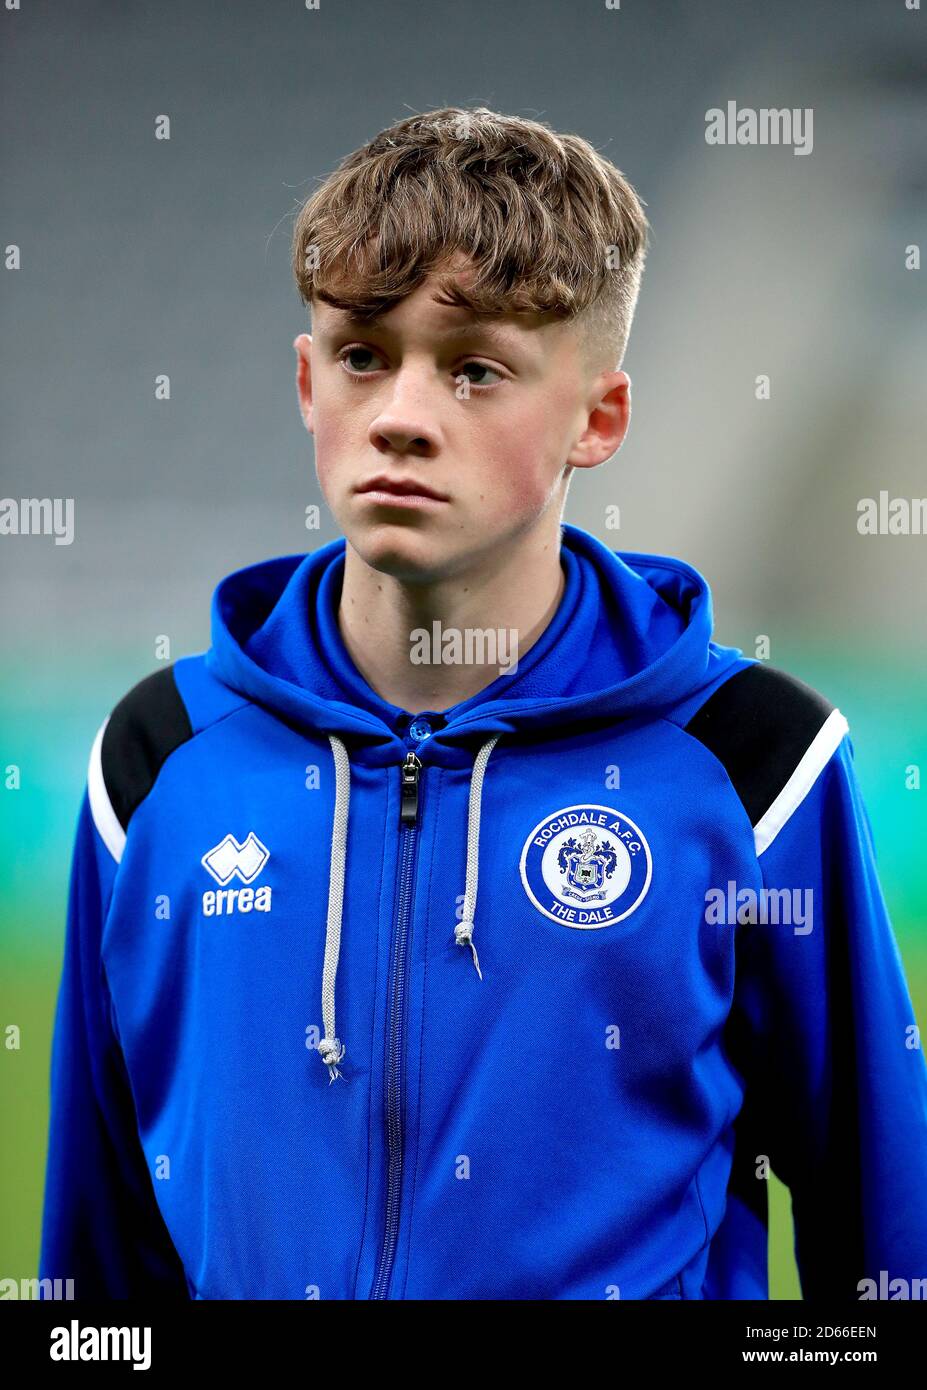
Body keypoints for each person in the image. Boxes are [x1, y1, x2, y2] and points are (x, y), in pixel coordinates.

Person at [39, 105, 927, 1301]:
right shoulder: (155, 764)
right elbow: (96, 1283)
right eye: (364, 354)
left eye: (475, 368)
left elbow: (882, 1247)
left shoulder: (757, 765)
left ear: (597, 418)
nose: (402, 413)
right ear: (308, 383)